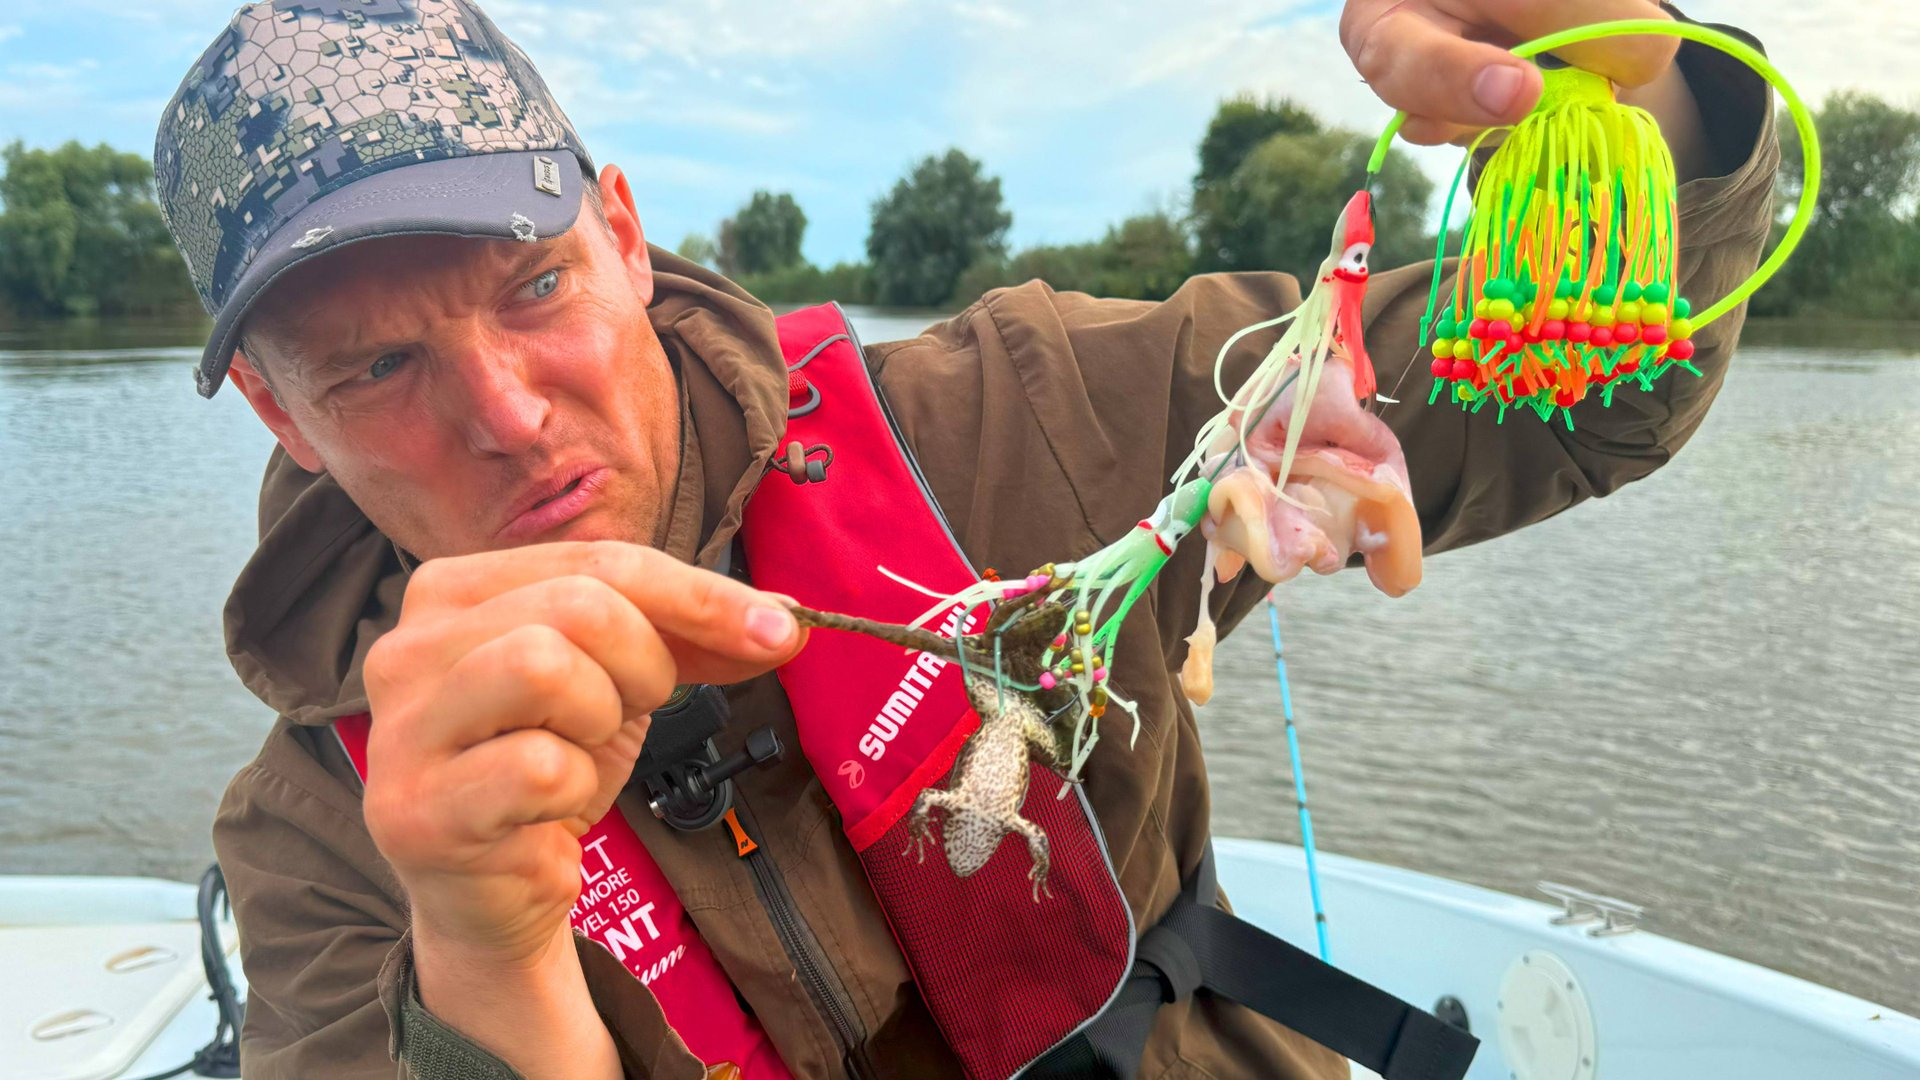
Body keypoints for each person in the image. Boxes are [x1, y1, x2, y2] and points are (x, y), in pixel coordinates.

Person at [154, 0, 1780, 1076]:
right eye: (377, 368)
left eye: (534, 286)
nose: (508, 413)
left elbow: (1584, 403)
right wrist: (483, 959)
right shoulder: (320, 832)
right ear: (288, 423)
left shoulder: (1026, 409)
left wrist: (1632, 98)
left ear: (627, 238)